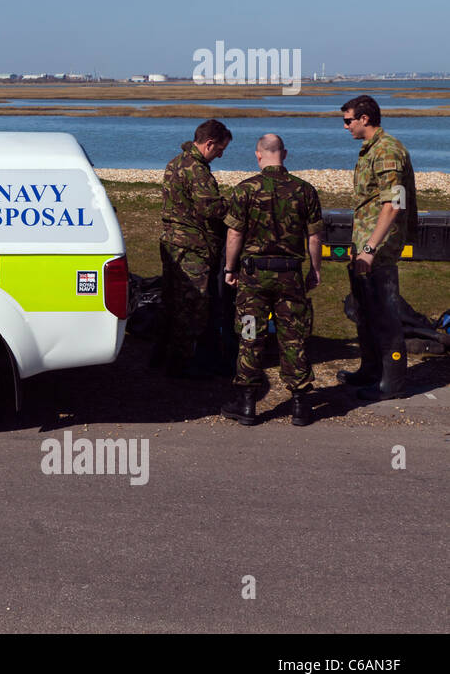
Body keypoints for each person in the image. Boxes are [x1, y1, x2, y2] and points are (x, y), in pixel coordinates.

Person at [220, 135, 323, 426]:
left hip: (253, 278)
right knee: (293, 336)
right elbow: (314, 236)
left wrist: (230, 268)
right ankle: (301, 404)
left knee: (251, 335)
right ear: (285, 154)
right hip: (290, 275)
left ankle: (248, 403)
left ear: (258, 155)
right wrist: (315, 269)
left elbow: (234, 234)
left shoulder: (245, 190)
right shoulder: (304, 190)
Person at [340, 95, 418, 401]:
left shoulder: (387, 151)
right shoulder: (370, 150)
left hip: (379, 246)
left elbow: (394, 204)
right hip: (365, 242)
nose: (345, 127)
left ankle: (392, 382)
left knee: (385, 313)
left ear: (364, 119)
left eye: (348, 121)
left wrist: (370, 248)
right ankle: (371, 370)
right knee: (365, 310)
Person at [156, 119, 232, 379]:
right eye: (220, 149)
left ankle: (161, 355)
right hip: (192, 247)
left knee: (172, 302)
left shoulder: (176, 162)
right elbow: (211, 208)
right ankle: (182, 365)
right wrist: (236, 205)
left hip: (172, 243)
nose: (221, 154)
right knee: (192, 307)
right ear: (209, 143)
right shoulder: (197, 170)